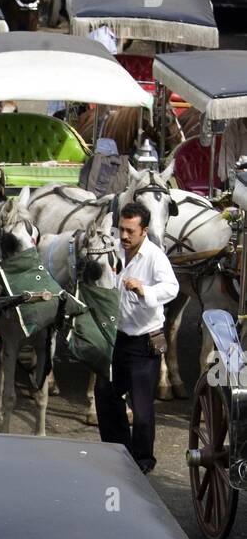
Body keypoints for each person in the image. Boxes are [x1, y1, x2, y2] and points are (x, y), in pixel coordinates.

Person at [94, 200, 179, 474]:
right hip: (114, 340)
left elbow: (172, 288)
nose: (124, 236)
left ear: (143, 231)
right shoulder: (114, 250)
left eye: (130, 231)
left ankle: (143, 462)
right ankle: (117, 452)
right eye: (122, 229)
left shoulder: (154, 257)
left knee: (142, 412)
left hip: (143, 345)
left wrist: (145, 291)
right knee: (106, 396)